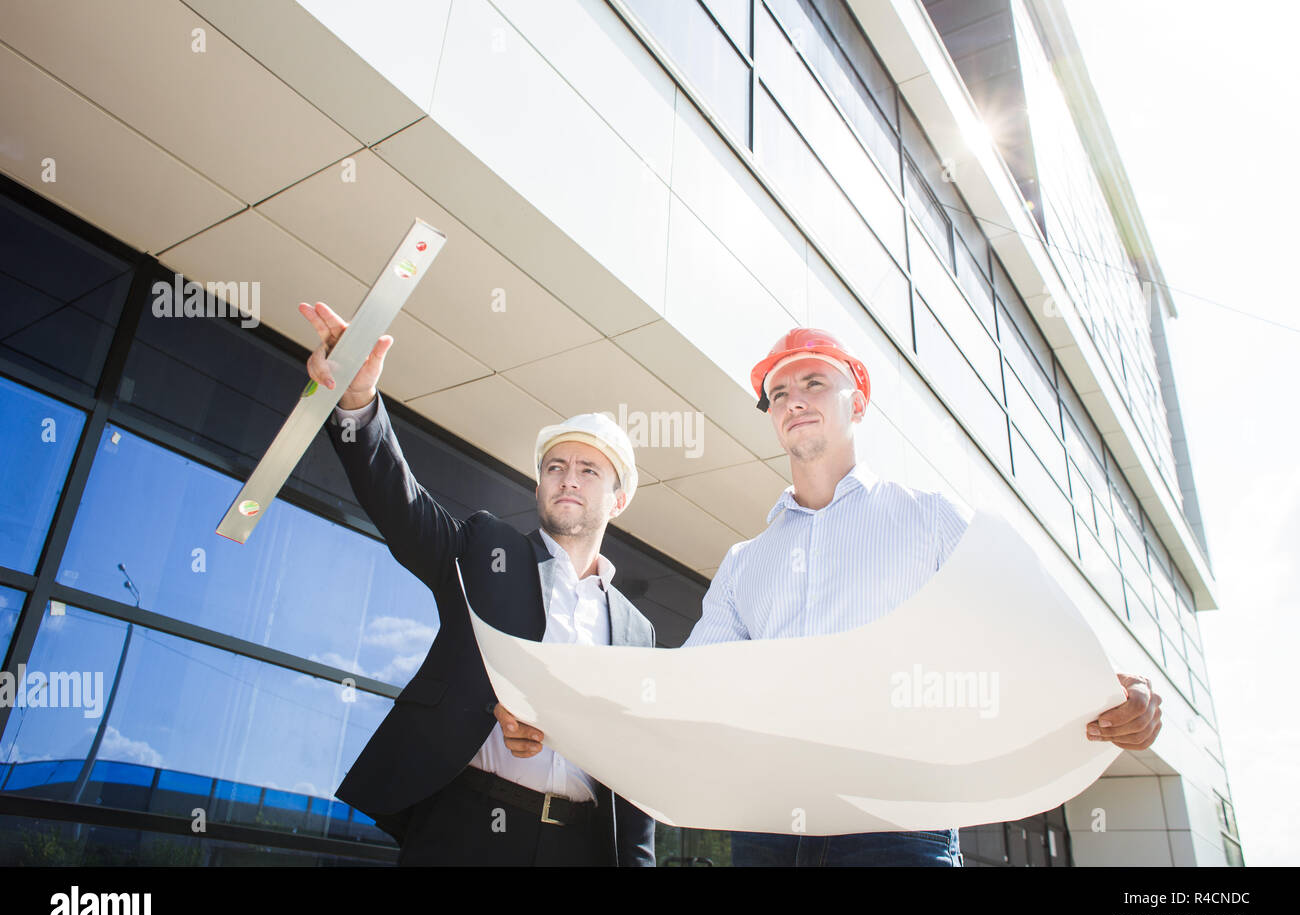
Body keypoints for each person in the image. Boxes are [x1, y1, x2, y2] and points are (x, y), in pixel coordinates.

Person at [678, 328, 1164, 867]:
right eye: (778, 393)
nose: (792, 400)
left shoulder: (929, 519)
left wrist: (1114, 684)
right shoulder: (744, 563)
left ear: (857, 403)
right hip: (768, 829)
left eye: (814, 382)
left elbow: (1021, 623)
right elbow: (696, 685)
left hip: (898, 823)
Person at [299, 300, 655, 866]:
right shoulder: (490, 551)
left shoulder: (637, 631)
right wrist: (358, 401)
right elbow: (404, 508)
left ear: (620, 498)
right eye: (555, 467)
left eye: (589, 471)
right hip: (467, 831)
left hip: (580, 847)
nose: (568, 479)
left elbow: (638, 766)